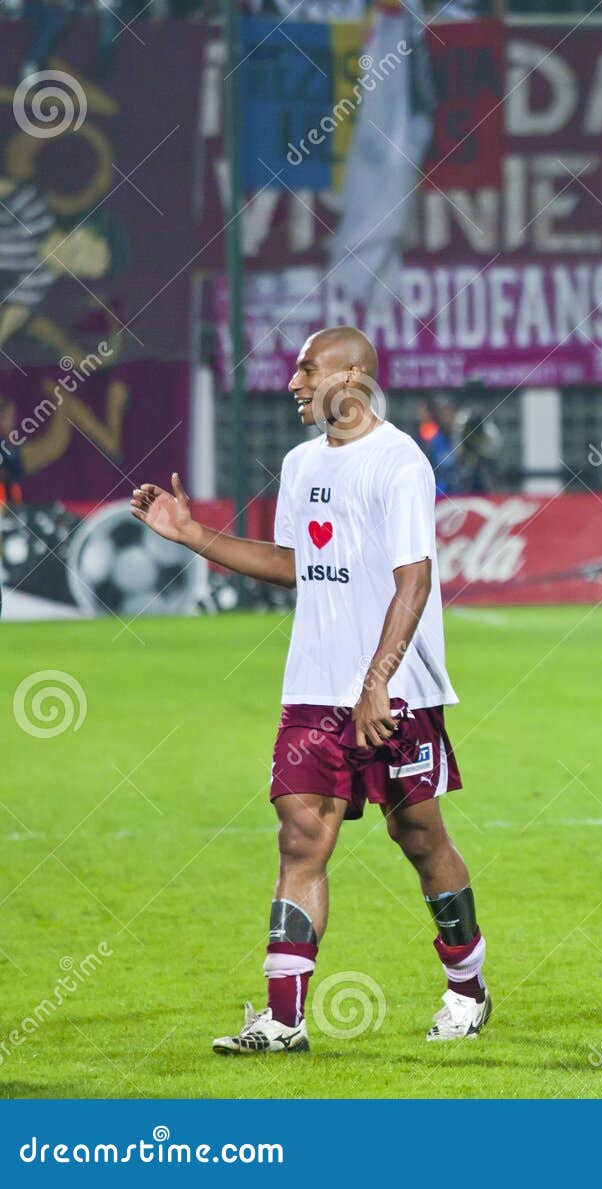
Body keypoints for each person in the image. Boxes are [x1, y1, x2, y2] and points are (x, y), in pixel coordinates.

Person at [129, 326, 492, 1054]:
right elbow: (293, 562)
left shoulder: (399, 461)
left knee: (419, 837)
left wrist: (377, 682)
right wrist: (195, 535)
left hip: (396, 691)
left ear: (351, 375)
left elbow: (414, 580)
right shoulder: (299, 464)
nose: (293, 382)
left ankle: (467, 989)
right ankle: (283, 1019)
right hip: (313, 690)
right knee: (300, 840)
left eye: (306, 369)